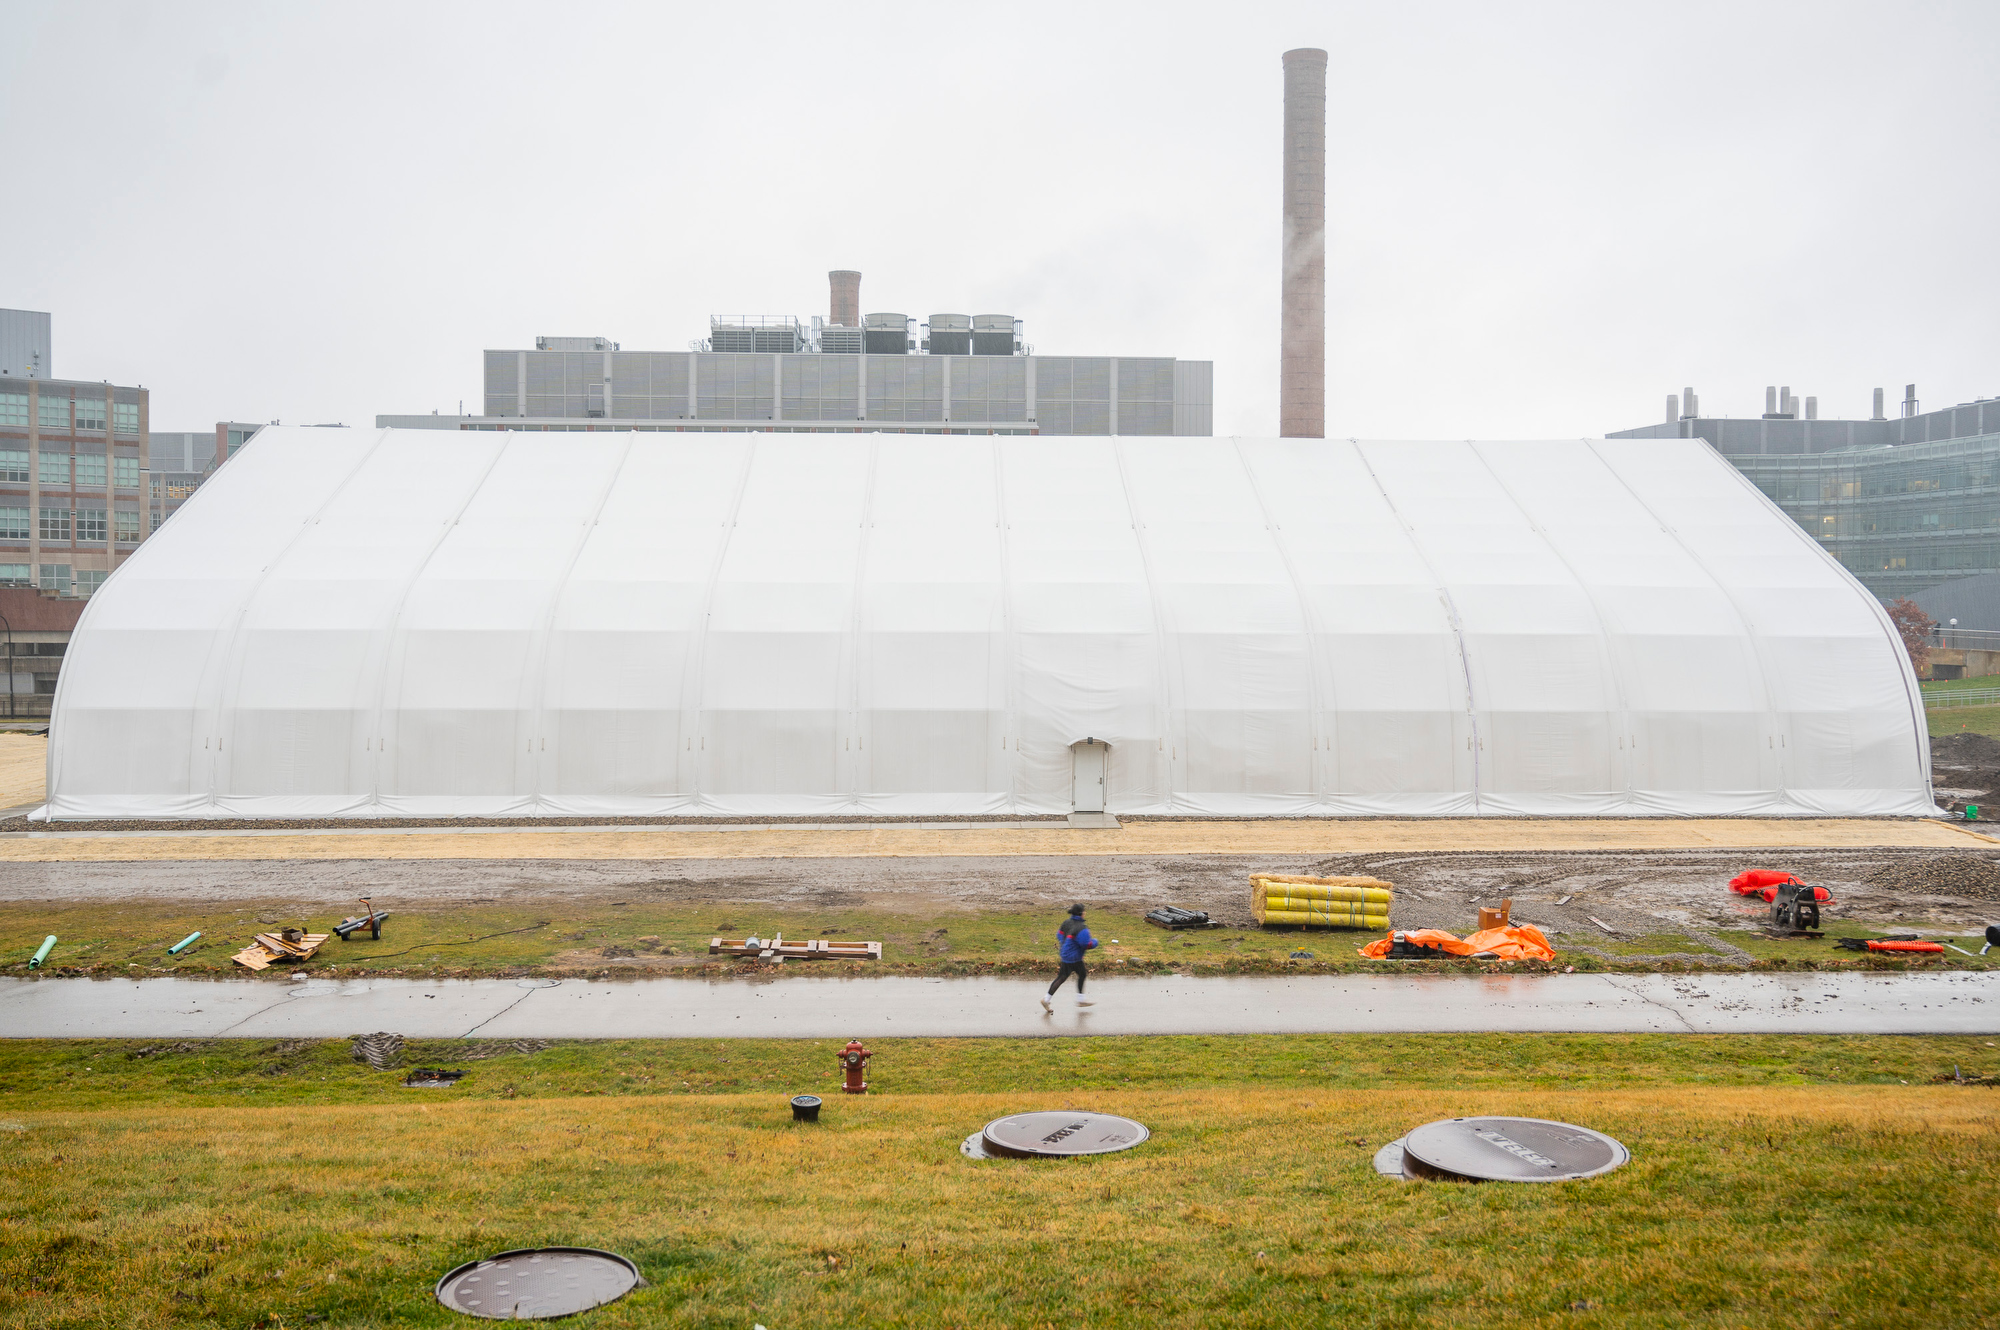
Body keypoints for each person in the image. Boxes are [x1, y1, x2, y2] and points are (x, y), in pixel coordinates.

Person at [1041, 903, 1097, 1011]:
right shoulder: (1082, 928)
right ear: (1082, 913)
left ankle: (1046, 999)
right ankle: (1080, 1000)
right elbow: (1086, 944)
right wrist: (1095, 942)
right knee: (1082, 974)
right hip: (1074, 957)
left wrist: (1066, 945)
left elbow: (1059, 935)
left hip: (1065, 955)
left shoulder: (1066, 922)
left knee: (1061, 977)